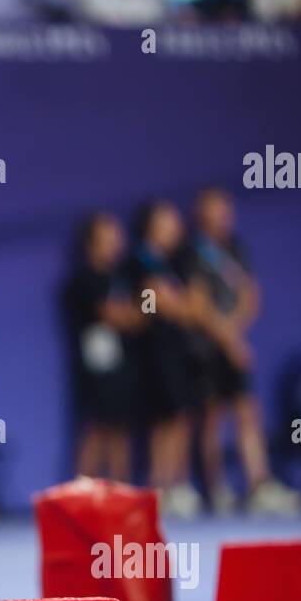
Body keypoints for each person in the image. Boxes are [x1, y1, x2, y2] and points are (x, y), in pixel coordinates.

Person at [183, 187, 301, 515]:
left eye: (225, 211)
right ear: (201, 215)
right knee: (211, 417)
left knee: (248, 411)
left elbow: (250, 294)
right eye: (213, 212)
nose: (221, 218)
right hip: (204, 348)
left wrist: (236, 331)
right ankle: (217, 489)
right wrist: (230, 340)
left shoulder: (236, 247)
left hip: (233, 342)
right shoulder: (191, 251)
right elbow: (198, 304)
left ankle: (258, 485)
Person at [126, 201, 204, 518]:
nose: (176, 227)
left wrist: (184, 307)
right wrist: (184, 307)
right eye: (168, 222)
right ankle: (158, 487)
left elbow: (192, 307)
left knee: (180, 415)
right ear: (151, 227)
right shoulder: (140, 261)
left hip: (176, 352)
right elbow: (162, 304)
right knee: (164, 419)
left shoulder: (172, 263)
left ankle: (177, 484)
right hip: (152, 354)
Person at [61, 212, 141, 482]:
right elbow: (116, 315)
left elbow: (143, 304)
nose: (116, 244)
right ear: (91, 244)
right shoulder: (84, 279)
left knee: (121, 429)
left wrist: (144, 308)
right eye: (108, 239)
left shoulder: (122, 276)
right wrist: (145, 312)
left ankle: (119, 491)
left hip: (123, 367)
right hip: (96, 368)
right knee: (96, 427)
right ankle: (81, 492)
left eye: (117, 238)